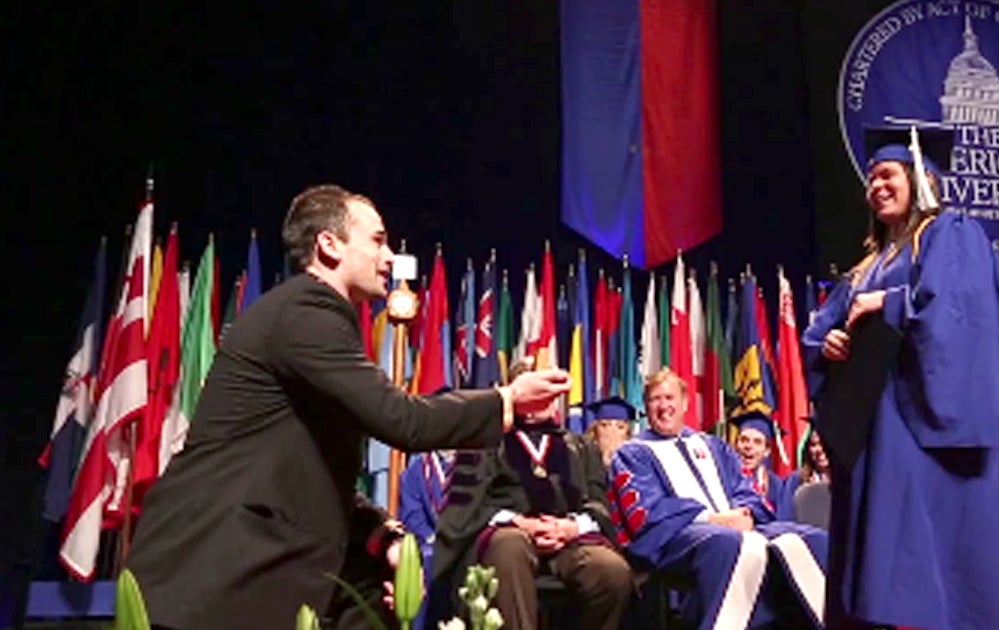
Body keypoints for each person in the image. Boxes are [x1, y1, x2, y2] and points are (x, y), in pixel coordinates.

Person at [126, 184, 571, 630]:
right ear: (329, 244)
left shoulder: (312, 317)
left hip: (261, 564)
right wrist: (506, 398)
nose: (390, 256)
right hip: (219, 567)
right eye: (377, 240)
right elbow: (405, 421)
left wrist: (383, 536)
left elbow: (314, 468)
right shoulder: (307, 311)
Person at [802, 128, 999, 629]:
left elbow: (961, 316)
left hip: (928, 435)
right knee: (877, 566)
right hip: (876, 434)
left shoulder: (950, 234)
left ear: (922, 179)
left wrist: (891, 304)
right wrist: (830, 342)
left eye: (887, 175)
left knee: (938, 575)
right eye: (870, 179)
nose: (875, 186)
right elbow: (822, 330)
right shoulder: (866, 266)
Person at [609, 368, 828, 630]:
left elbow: (744, 488)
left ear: (685, 403)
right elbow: (648, 510)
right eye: (656, 399)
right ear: (646, 406)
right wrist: (713, 519)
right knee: (737, 545)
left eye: (670, 398)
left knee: (803, 539)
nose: (664, 406)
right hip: (678, 538)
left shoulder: (712, 445)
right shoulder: (633, 453)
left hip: (735, 527)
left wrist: (745, 513)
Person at [430, 357, 633, 630]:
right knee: (510, 547)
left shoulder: (581, 447)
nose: (544, 397)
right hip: (508, 536)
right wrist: (520, 523)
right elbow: (465, 508)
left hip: (568, 541)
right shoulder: (483, 442)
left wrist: (571, 527)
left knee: (611, 570)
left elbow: (598, 503)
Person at [398, 449, 455, 630]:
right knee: (428, 556)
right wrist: (430, 537)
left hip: (469, 539)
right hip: (431, 542)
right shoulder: (417, 469)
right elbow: (411, 515)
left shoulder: (475, 464)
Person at [730, 410, 802, 522]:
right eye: (744, 440)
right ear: (736, 445)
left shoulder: (777, 485)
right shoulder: (727, 479)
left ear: (767, 451)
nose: (749, 446)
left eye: (757, 442)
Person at [583, 395, 636, 468]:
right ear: (595, 432)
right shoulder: (583, 462)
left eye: (620, 427)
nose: (612, 432)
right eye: (605, 425)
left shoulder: (635, 467)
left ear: (627, 435)